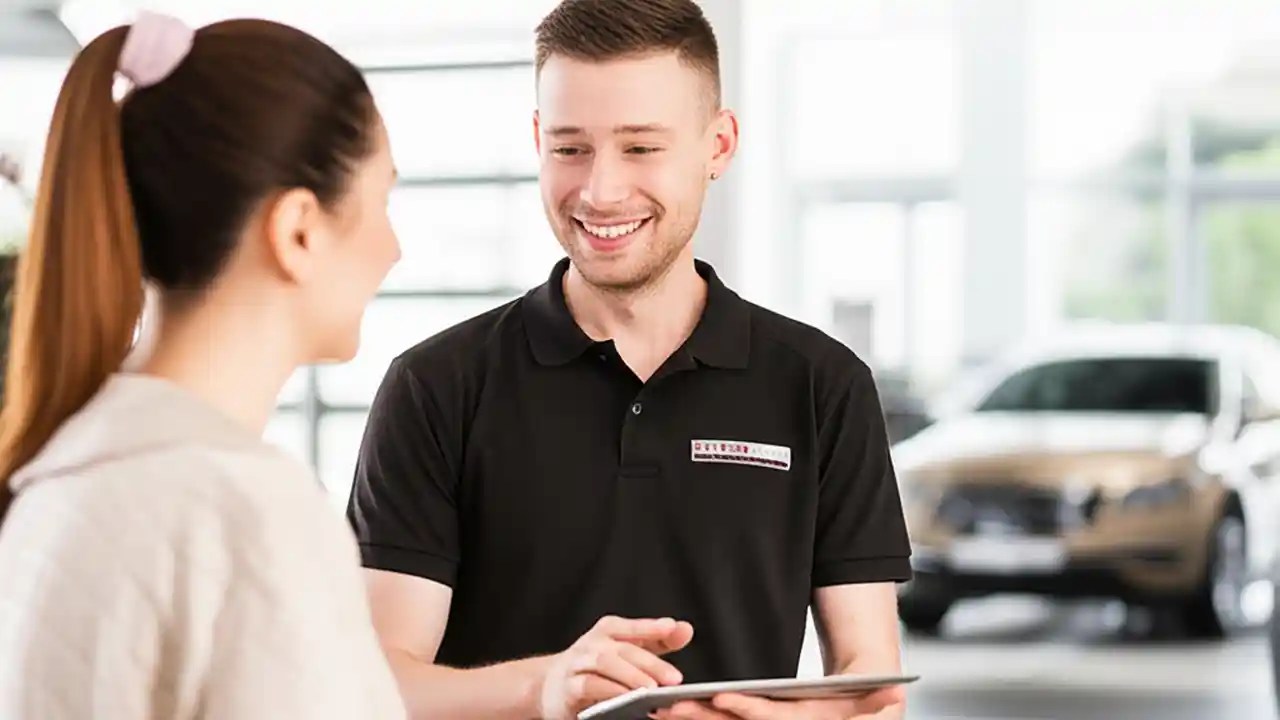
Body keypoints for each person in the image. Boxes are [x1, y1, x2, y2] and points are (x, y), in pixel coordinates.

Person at [347, 1, 913, 718]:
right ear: (536, 140)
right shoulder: (435, 387)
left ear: (719, 144)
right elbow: (376, 688)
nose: (601, 190)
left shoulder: (822, 386)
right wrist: (549, 686)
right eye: (570, 147)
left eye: (641, 148)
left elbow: (871, 684)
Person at [0, 12, 405, 719]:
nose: (394, 248)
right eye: (382, 201)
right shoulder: (247, 513)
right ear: (299, 230)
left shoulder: (54, 485)